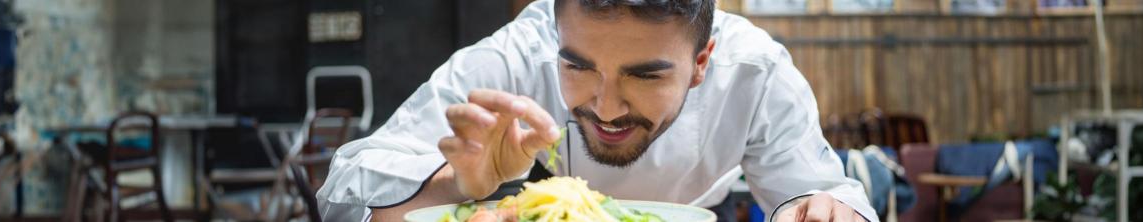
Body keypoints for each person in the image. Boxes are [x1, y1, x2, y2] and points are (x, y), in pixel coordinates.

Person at [315, 0, 876, 221]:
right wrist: (454, 183)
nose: (605, 106)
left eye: (645, 74)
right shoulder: (519, 54)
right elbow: (344, 188)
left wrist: (820, 210)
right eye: (577, 66)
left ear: (702, 60)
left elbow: (826, 193)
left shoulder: (755, 72)